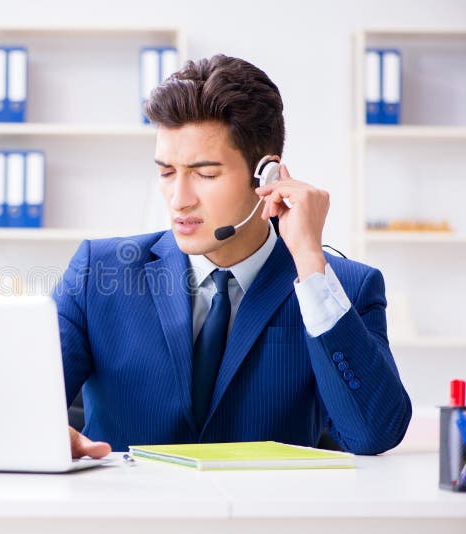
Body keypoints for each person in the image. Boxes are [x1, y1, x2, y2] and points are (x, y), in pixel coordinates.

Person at [54, 54, 411, 459]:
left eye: (205, 174)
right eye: (167, 172)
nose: (179, 199)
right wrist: (42, 435)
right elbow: (19, 405)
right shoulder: (96, 273)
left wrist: (310, 263)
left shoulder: (343, 289)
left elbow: (374, 433)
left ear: (267, 176)